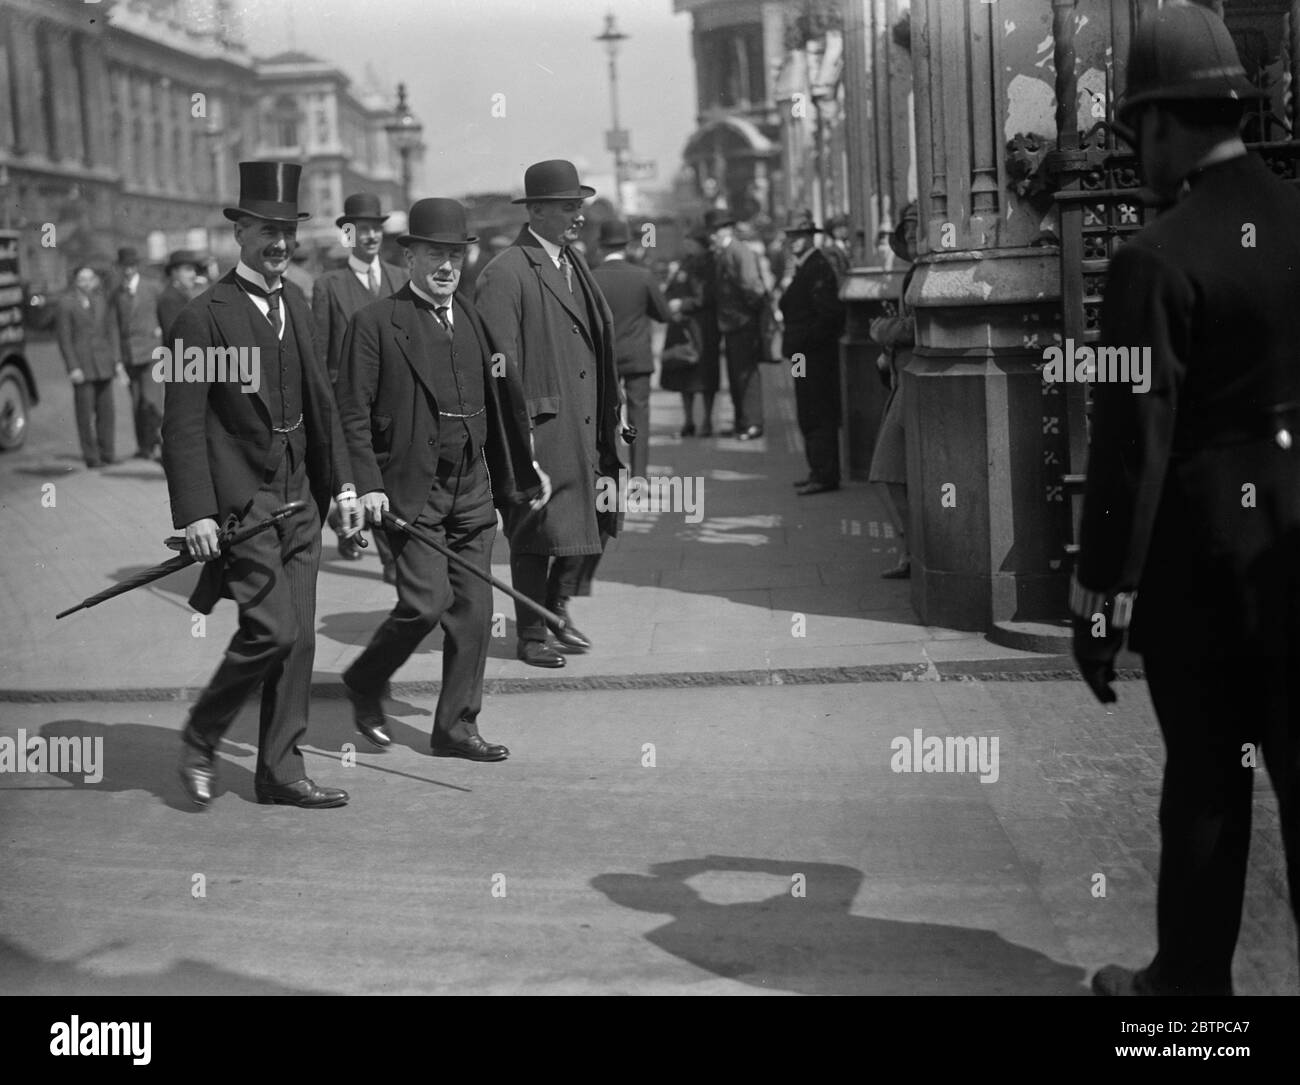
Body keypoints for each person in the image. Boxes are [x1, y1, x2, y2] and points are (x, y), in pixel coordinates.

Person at [1073, 2, 1300, 995]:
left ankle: (1188, 990)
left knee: (1209, 778)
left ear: (1159, 122)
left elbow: (1131, 444)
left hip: (1203, 570)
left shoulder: (1152, 258)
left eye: (1135, 136)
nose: (1136, 158)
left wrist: (1097, 594)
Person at [163, 160, 360, 810]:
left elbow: (323, 402)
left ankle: (279, 770)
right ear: (240, 231)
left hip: (303, 499)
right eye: (265, 229)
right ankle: (202, 731)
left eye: (286, 229)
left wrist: (347, 491)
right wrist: (196, 513)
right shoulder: (203, 317)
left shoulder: (298, 302)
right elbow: (184, 427)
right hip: (244, 506)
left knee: (300, 638)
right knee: (272, 629)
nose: (278, 242)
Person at [336, 198, 544, 760]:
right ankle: (362, 678)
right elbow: (350, 412)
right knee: (425, 605)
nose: (448, 265)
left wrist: (521, 471)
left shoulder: (473, 318)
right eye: (435, 254)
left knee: (475, 613)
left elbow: (503, 405)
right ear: (409, 256)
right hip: (408, 491)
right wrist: (366, 485)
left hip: (471, 488)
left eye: (456, 254)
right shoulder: (375, 323)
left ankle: (455, 727)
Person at [475, 159, 624, 669]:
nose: (577, 215)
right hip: (542, 426)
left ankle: (558, 608)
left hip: (589, 420)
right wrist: (517, 442)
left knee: (595, 518)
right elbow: (500, 366)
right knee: (536, 532)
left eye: (579, 205)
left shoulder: (572, 262)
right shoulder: (507, 273)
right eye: (567, 207)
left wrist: (615, 409)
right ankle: (532, 632)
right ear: (535, 210)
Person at [312, 191, 408, 572]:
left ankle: (343, 520)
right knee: (369, 480)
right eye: (361, 230)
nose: (369, 237)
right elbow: (321, 351)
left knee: (393, 476)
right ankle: (392, 562)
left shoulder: (401, 278)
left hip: (394, 398)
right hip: (349, 401)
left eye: (375, 230)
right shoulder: (329, 285)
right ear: (347, 236)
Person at [591, 218, 673, 480]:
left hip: (605, 359)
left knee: (607, 417)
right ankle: (639, 477)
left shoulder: (591, 279)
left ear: (602, 247)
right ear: (627, 246)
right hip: (638, 355)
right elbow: (663, 314)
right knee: (640, 416)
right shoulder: (643, 276)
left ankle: (610, 475)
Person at [867, 203, 919, 578]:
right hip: (905, 378)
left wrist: (881, 331)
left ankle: (911, 553)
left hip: (915, 381)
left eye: (920, 233)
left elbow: (916, 327)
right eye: (909, 235)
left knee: (886, 471)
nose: (914, 240)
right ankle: (909, 552)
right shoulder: (915, 272)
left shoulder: (925, 273)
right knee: (894, 473)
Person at [778, 211, 846, 495]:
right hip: (801, 356)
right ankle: (816, 469)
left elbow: (829, 315)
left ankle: (825, 474)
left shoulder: (818, 266)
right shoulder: (806, 266)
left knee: (816, 409)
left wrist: (804, 342)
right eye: (791, 236)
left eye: (799, 236)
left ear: (810, 237)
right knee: (806, 407)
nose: (793, 241)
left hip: (811, 355)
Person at [56, 264, 123, 468]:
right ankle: (92, 457)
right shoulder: (66, 304)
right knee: (85, 415)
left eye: (90, 279)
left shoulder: (101, 300)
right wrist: (72, 367)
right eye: (82, 279)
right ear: (75, 281)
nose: (86, 283)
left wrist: (116, 360)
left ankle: (108, 453)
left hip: (103, 364)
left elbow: (111, 331)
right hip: (82, 367)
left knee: (107, 412)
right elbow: (64, 339)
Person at [708, 208, 767, 440]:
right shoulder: (726, 251)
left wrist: (750, 313)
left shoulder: (738, 251)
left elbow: (752, 286)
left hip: (743, 323)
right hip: (733, 323)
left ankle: (752, 423)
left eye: (714, 231)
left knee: (746, 375)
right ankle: (742, 421)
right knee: (736, 375)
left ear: (725, 230)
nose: (711, 236)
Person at [660, 228, 720, 436]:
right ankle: (688, 420)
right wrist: (670, 306)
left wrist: (682, 304)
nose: (687, 246)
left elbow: (706, 296)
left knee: (705, 376)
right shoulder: (684, 263)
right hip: (680, 326)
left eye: (690, 242)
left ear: (701, 244)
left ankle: (707, 421)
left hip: (702, 327)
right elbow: (670, 289)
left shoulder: (710, 265)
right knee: (682, 374)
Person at [109, 246, 164, 461]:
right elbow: (113, 327)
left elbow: (167, 311)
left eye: (131, 266)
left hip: (152, 354)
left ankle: (159, 444)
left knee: (152, 401)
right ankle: (144, 447)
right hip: (130, 355)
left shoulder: (152, 288)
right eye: (124, 267)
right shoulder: (117, 294)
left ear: (137, 266)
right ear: (119, 268)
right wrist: (117, 361)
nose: (128, 271)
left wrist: (162, 329)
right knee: (136, 403)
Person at [156, 249, 203, 340]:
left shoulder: (182, 294)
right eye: (188, 269)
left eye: (194, 270)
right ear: (174, 272)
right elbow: (176, 336)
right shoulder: (169, 299)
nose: (194, 274)